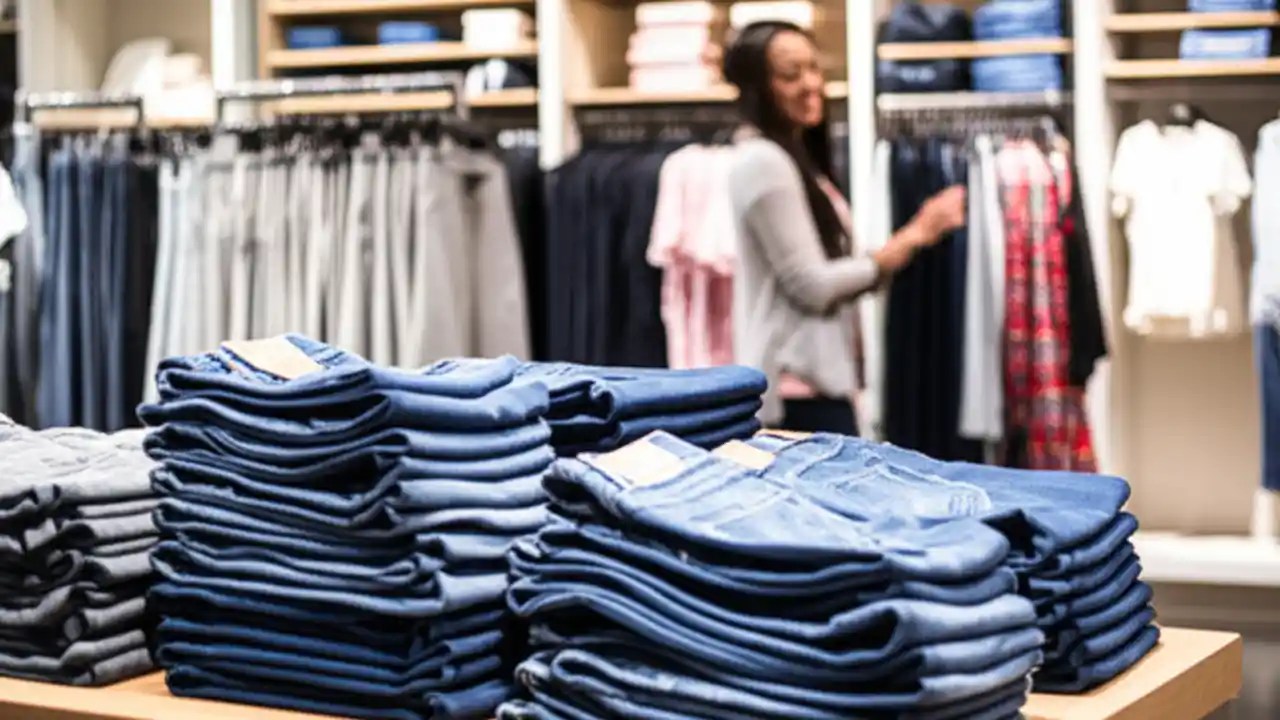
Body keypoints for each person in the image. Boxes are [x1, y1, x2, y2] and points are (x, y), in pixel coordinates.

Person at [724, 20, 966, 435]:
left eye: (814, 68)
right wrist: (915, 235)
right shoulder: (764, 162)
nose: (810, 83)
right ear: (757, 88)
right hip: (798, 394)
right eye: (790, 74)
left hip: (815, 389)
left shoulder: (794, 161)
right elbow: (813, 286)